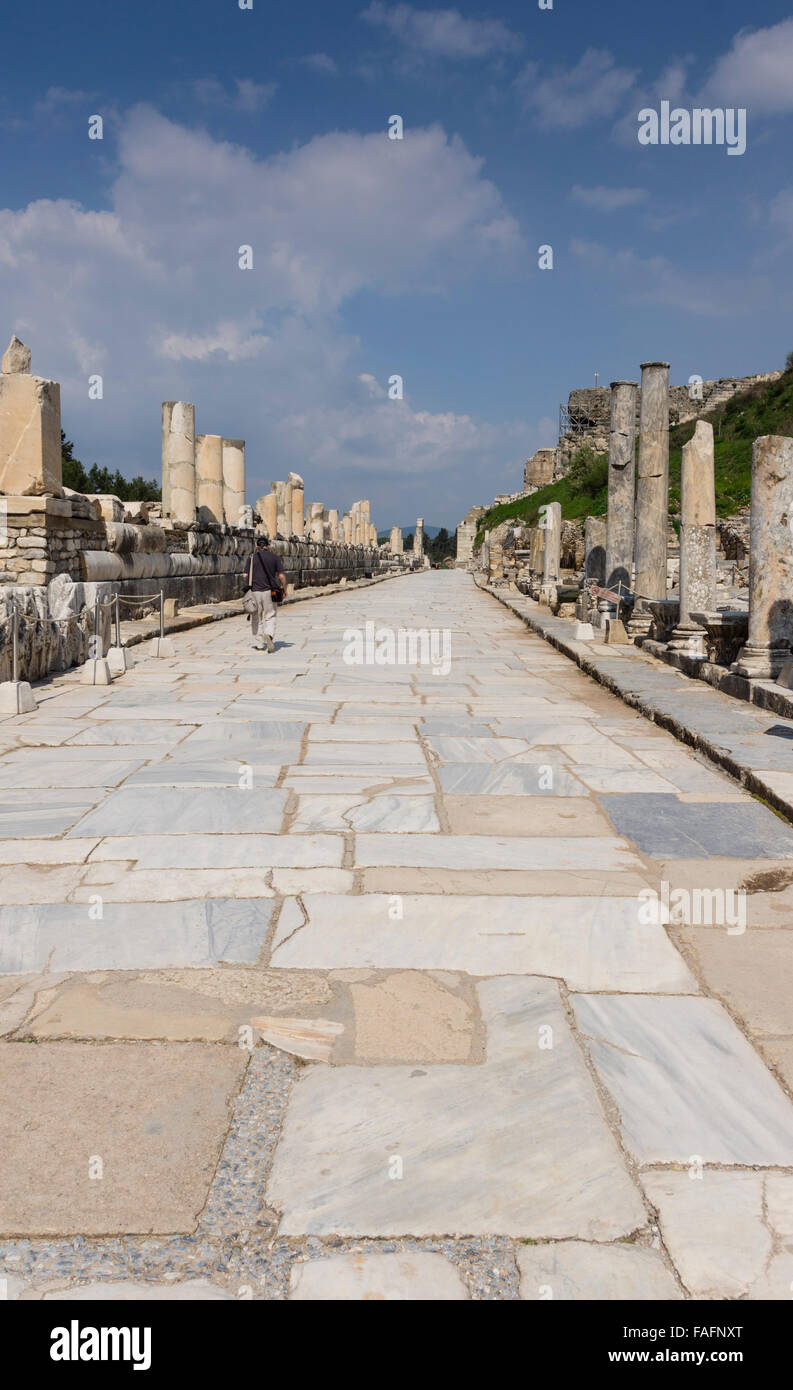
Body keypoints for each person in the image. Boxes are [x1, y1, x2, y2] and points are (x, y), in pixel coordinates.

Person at [244, 536, 286, 652]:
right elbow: (281, 576)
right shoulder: (275, 558)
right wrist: (284, 589)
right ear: (268, 546)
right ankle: (269, 634)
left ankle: (260, 644)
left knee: (256, 617)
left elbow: (245, 575)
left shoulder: (251, 558)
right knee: (270, 615)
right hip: (269, 591)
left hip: (255, 592)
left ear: (257, 546)